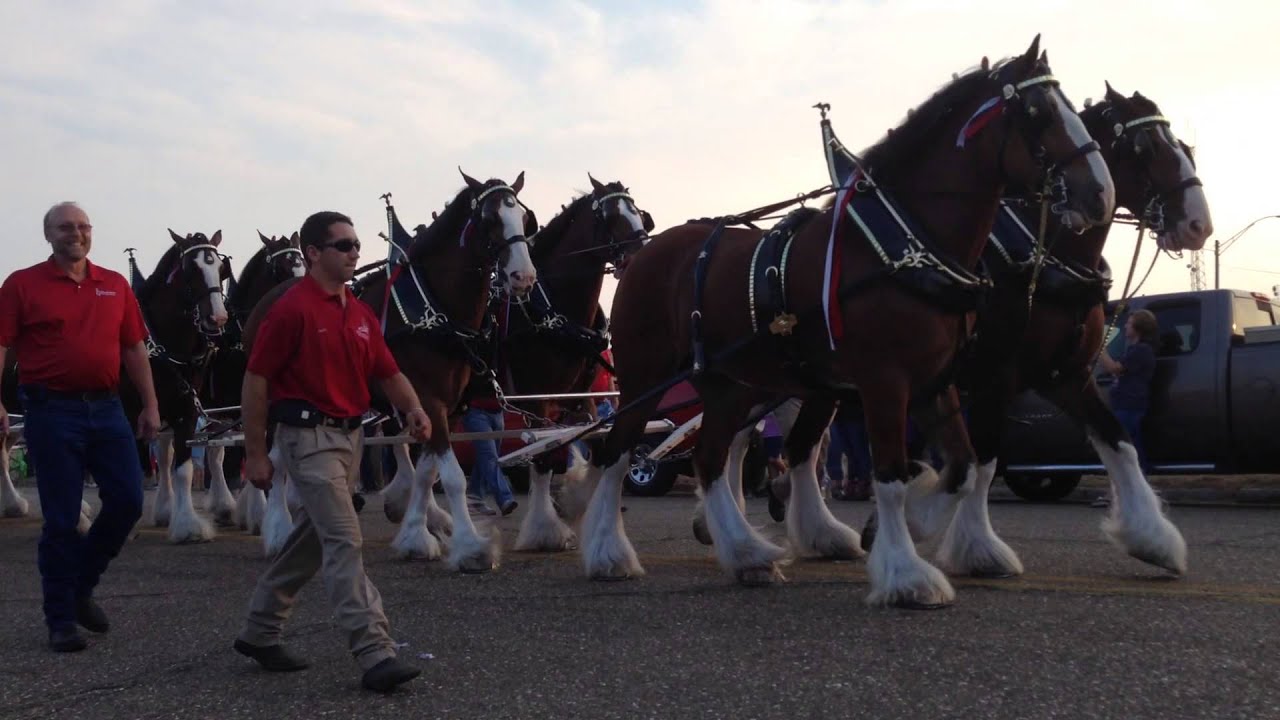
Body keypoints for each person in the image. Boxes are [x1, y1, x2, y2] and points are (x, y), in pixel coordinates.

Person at [235, 211, 432, 693]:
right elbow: (256, 381)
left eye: (356, 244)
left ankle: (260, 630)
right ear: (313, 253)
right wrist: (256, 453)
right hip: (307, 439)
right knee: (345, 538)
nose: (354, 252)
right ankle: (375, 651)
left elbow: (388, 371)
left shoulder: (359, 312)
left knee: (316, 538)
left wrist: (414, 408)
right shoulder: (292, 309)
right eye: (343, 245)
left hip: (350, 438)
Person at [0, 202, 161, 653]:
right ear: (48, 234)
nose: (76, 233)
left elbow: (133, 348)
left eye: (83, 226)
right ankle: (60, 620)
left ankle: (80, 586)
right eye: (65, 227)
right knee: (62, 517)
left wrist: (149, 405)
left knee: (129, 500)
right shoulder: (21, 285)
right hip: (51, 411)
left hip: (107, 409)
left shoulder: (113, 285)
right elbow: (1, 345)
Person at [1093, 309, 1160, 507]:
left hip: (1129, 406)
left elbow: (1114, 368)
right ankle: (1135, 493)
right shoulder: (1136, 349)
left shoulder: (1141, 351)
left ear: (1138, 328)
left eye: (1129, 324)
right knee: (1130, 450)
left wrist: (1099, 347)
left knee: (1121, 450)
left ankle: (1118, 494)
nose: (1125, 326)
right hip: (1127, 405)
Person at [460, 373, 518, 517]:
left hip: (497, 411)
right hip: (475, 411)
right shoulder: (474, 357)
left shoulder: (497, 355)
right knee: (489, 456)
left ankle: (475, 498)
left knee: (485, 458)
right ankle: (505, 498)